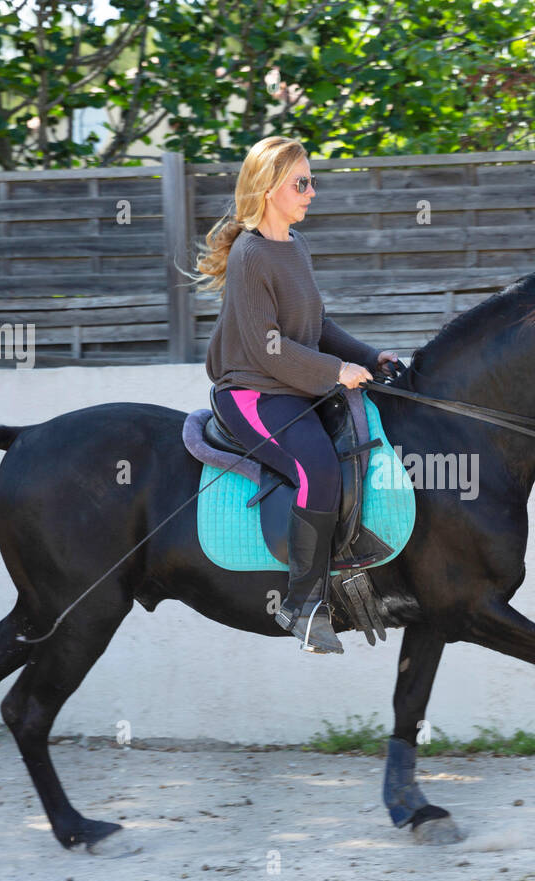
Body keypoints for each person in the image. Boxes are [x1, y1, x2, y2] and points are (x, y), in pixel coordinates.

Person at [197, 136, 399, 654]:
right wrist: (336, 370)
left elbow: (317, 324)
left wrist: (370, 357)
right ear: (270, 188)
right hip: (252, 393)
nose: (313, 191)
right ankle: (304, 606)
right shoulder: (250, 255)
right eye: (302, 182)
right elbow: (268, 349)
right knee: (320, 469)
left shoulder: (294, 245)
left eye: (311, 181)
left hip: (291, 385)